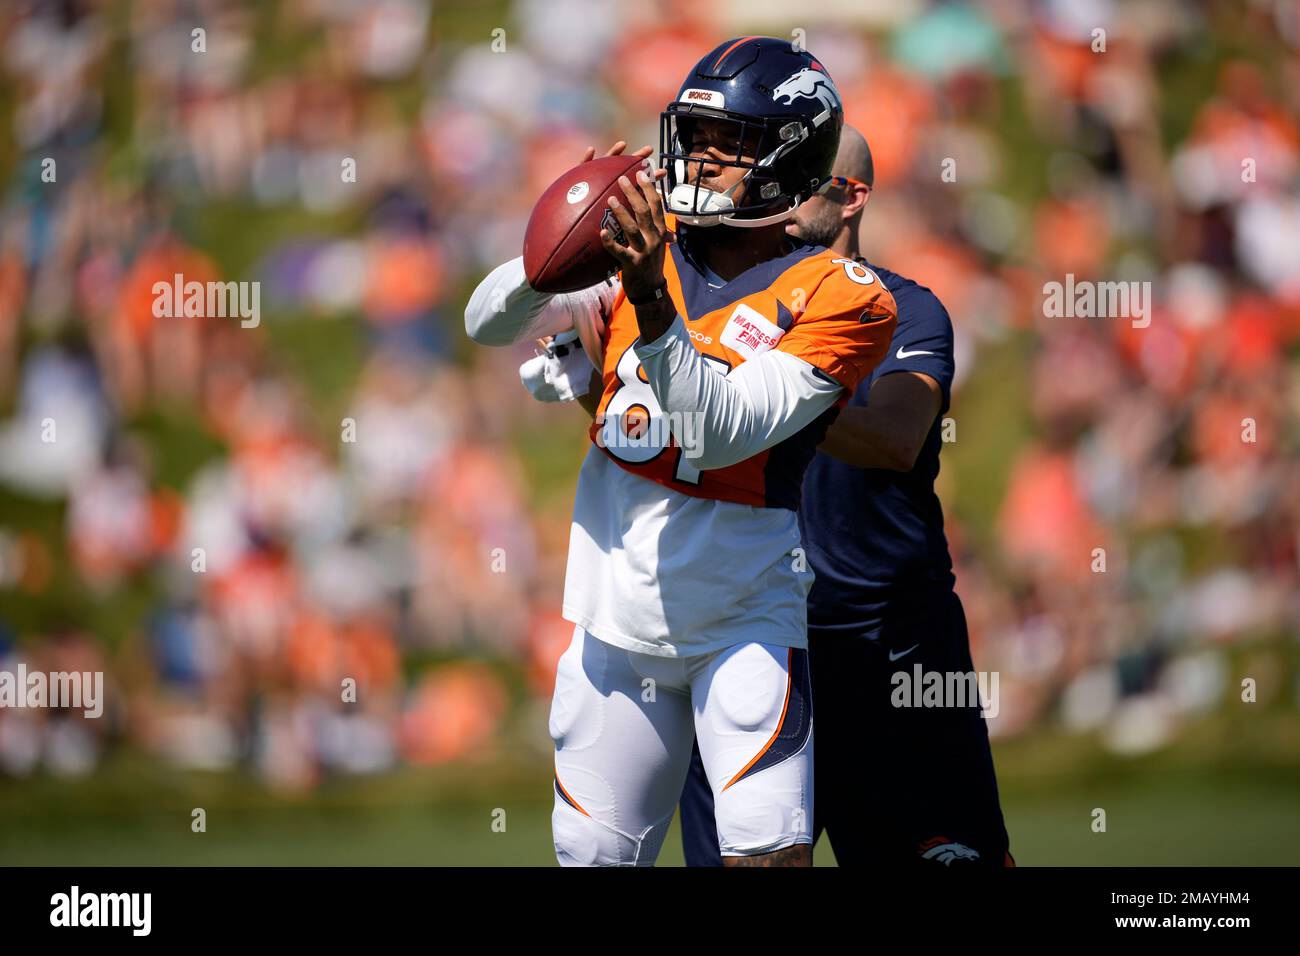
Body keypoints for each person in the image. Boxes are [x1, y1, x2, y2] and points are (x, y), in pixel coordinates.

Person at [464, 37, 897, 866]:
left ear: (788, 156)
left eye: (725, 142)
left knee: (767, 859)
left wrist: (654, 299)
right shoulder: (640, 245)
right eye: (691, 135)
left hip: (745, 623)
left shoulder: (841, 296)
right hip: (614, 627)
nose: (697, 158)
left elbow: (718, 429)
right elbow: (487, 324)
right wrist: (561, 241)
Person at [678, 125, 1015, 867]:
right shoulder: (719, 302)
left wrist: (762, 397)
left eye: (803, 177)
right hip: (751, 640)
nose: (777, 192)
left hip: (893, 645)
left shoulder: (907, 310)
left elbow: (897, 436)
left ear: (852, 196)